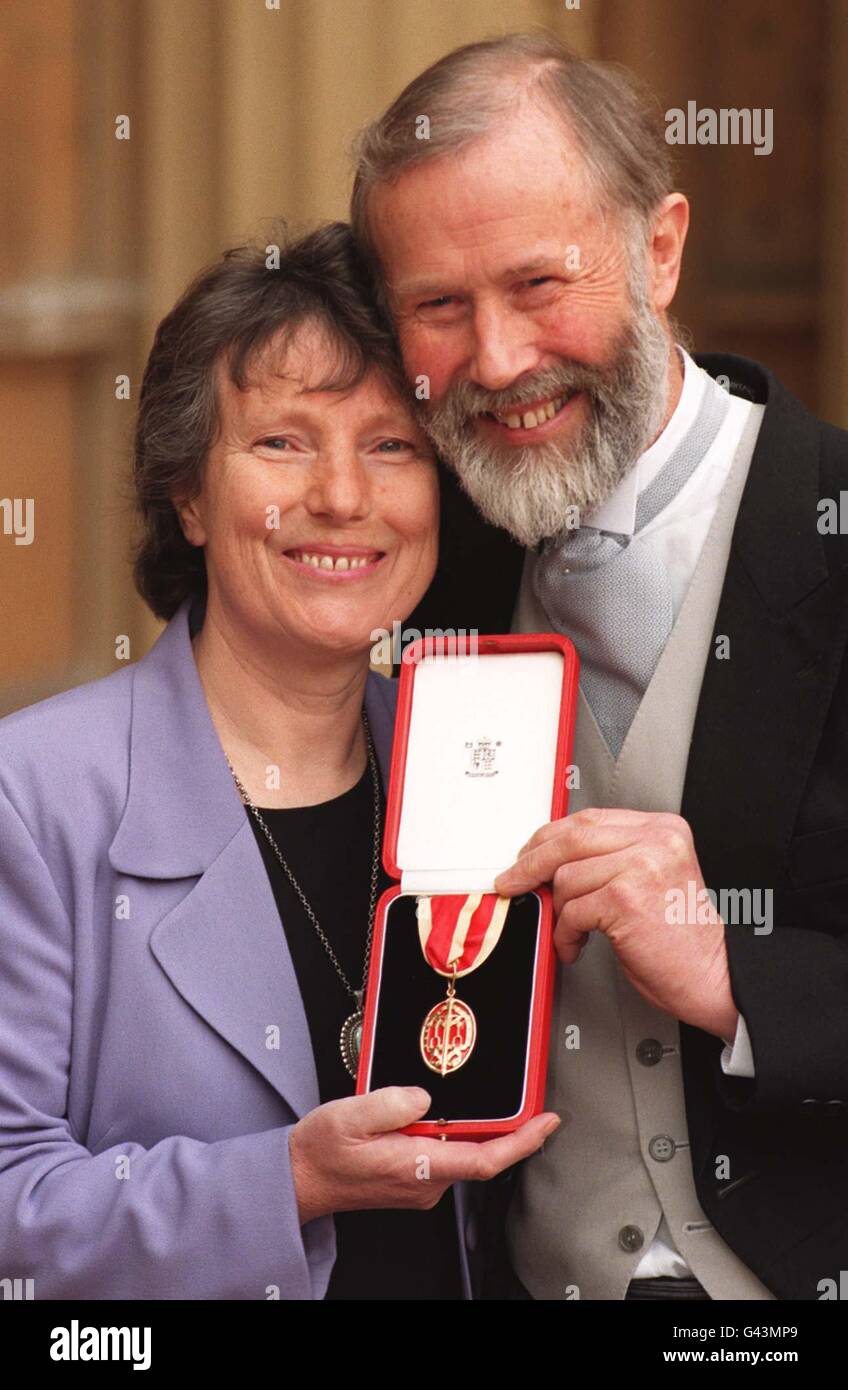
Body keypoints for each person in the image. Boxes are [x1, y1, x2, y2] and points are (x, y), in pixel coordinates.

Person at [350, 32, 848, 1300]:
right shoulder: (412, 561)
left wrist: (741, 978)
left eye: (537, 282)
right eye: (438, 306)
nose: (501, 359)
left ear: (659, 250)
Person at [0, 222, 558, 1301]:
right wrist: (285, 1181)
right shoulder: (33, 796)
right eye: (282, 443)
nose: (343, 497)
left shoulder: (477, 766)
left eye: (393, 445)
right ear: (189, 496)